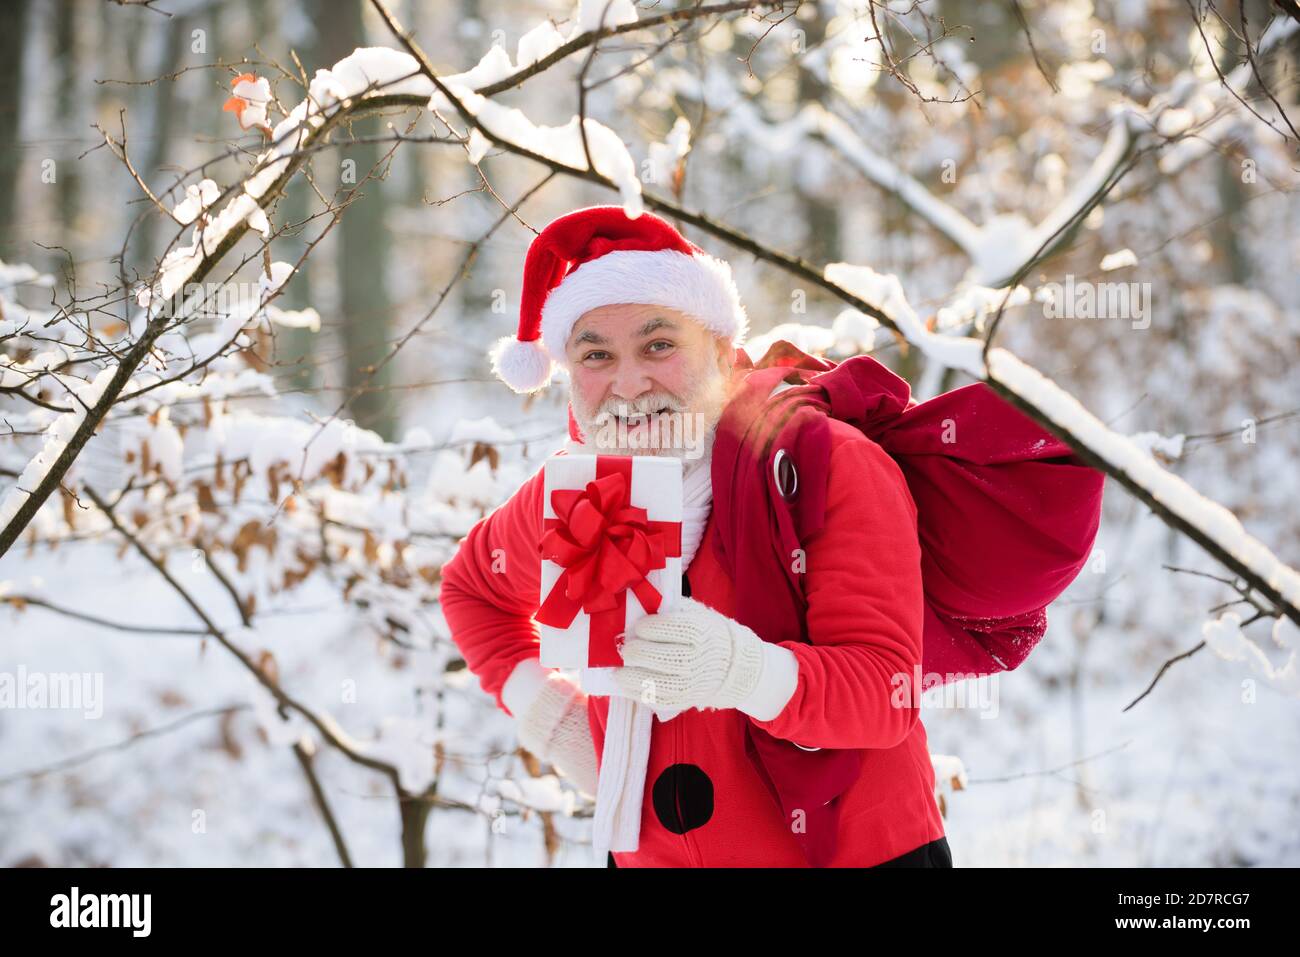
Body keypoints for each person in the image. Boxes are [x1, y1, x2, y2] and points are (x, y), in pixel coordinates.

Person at [439, 205, 951, 867]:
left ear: (717, 347)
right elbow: (470, 590)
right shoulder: (573, 494)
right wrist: (558, 721)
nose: (628, 383)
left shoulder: (823, 462)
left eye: (658, 345)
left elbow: (885, 692)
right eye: (596, 355)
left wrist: (743, 670)